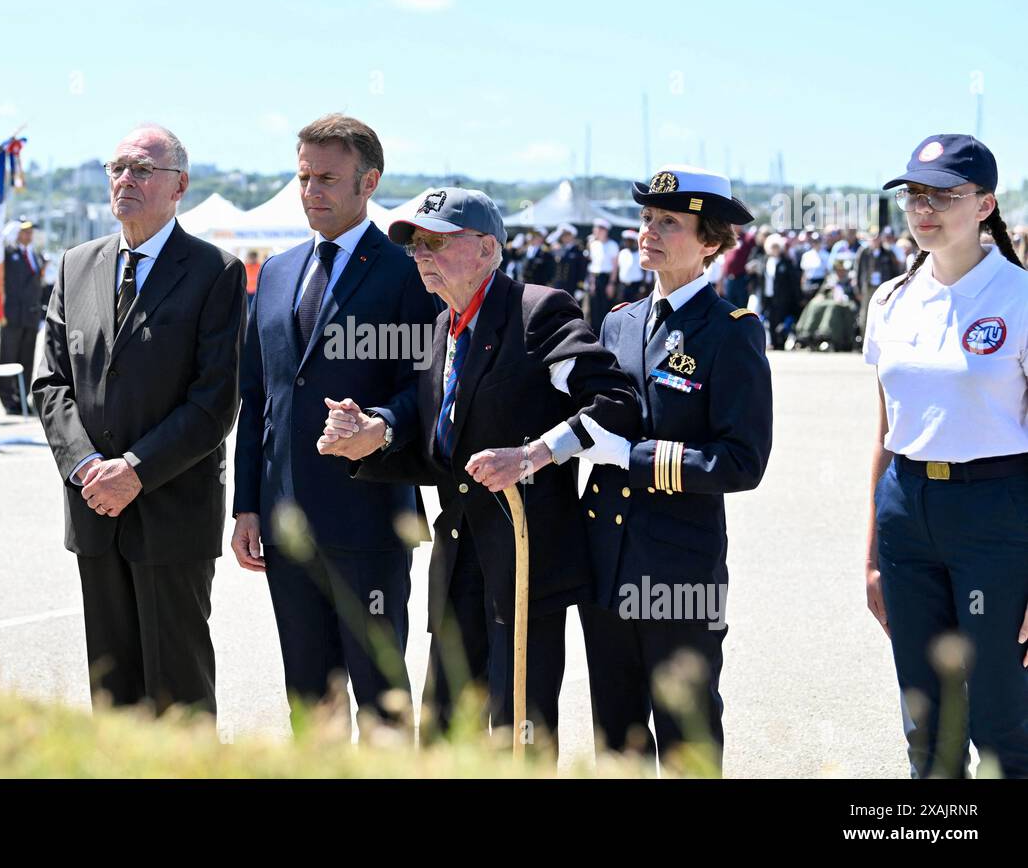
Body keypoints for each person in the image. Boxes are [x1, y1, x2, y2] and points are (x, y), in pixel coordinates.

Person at [320, 187, 640, 751]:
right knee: (445, 727)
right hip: (458, 560)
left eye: (436, 242)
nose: (420, 254)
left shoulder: (538, 311)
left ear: (488, 248)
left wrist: (535, 454)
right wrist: (373, 437)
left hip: (524, 556)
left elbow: (615, 402)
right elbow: (444, 449)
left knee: (519, 730)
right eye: (415, 244)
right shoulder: (442, 328)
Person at [230, 114, 438, 736]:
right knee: (309, 697)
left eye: (327, 178)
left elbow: (425, 386)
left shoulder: (407, 269)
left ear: (368, 182)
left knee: (380, 699)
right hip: (286, 520)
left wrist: (378, 423)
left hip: (369, 519)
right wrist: (246, 505)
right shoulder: (274, 272)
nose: (311, 190)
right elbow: (256, 397)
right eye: (303, 177)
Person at [33, 125, 245, 717]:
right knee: (112, 693)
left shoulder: (215, 273)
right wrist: (85, 469)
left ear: (179, 185)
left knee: (179, 693)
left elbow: (213, 404)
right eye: (117, 167)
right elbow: (49, 384)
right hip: (94, 511)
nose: (126, 179)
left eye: (142, 169)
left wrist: (134, 470)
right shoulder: (75, 266)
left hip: (171, 514)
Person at [578, 164, 773, 774]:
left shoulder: (731, 333)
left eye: (669, 222)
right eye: (645, 219)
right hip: (606, 561)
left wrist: (630, 459)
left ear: (711, 241)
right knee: (616, 737)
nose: (648, 232)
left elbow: (740, 462)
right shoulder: (619, 321)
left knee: (687, 739)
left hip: (678, 572)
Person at [864, 134, 1028, 778]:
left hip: (997, 512)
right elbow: (884, 430)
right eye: (913, 194)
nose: (922, 208)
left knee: (1000, 718)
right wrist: (873, 552)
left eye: (942, 194)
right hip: (908, 508)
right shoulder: (890, 299)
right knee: (925, 719)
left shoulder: (1018, 297)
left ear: (985, 204)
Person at [0, 219, 44, 415]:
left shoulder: (35, 255)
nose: (28, 235)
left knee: (27, 359)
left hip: (31, 315)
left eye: (30, 232)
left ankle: (23, 398)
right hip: (12, 315)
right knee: (9, 357)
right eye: (24, 231)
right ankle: (8, 399)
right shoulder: (8, 254)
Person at [794, 254, 857, 351]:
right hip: (830, 300)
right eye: (838, 269)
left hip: (846, 303)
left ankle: (826, 332)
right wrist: (822, 294)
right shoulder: (831, 279)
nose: (840, 271)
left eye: (842, 269)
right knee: (814, 303)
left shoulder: (850, 280)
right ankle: (807, 331)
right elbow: (821, 293)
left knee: (833, 306)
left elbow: (854, 295)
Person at [754, 234, 800, 350]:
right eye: (772, 247)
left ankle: (781, 343)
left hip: (782, 297)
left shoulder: (786, 262)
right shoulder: (765, 261)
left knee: (781, 320)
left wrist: (796, 297)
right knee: (769, 320)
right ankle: (773, 343)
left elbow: (793, 282)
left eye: (777, 247)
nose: (775, 249)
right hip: (767, 296)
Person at [854, 228, 902, 336]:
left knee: (883, 312)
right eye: (873, 238)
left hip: (883, 287)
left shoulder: (888, 253)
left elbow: (895, 271)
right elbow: (859, 271)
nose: (875, 240)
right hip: (868, 286)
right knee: (865, 313)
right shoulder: (864, 252)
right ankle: (864, 339)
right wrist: (858, 288)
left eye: (877, 238)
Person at [586, 218, 621, 332]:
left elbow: (615, 267)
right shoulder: (593, 244)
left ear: (605, 231)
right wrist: (591, 283)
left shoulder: (612, 245)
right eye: (596, 228)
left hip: (606, 278)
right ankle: (594, 334)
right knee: (593, 308)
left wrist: (611, 284)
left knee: (605, 307)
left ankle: (605, 333)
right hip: (594, 278)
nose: (597, 231)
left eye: (600, 229)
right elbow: (591, 265)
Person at [617, 229, 650, 303]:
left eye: (630, 241)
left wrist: (643, 286)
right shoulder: (622, 253)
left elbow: (645, 271)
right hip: (623, 286)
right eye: (626, 240)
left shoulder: (640, 254)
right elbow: (619, 269)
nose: (627, 243)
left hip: (636, 286)